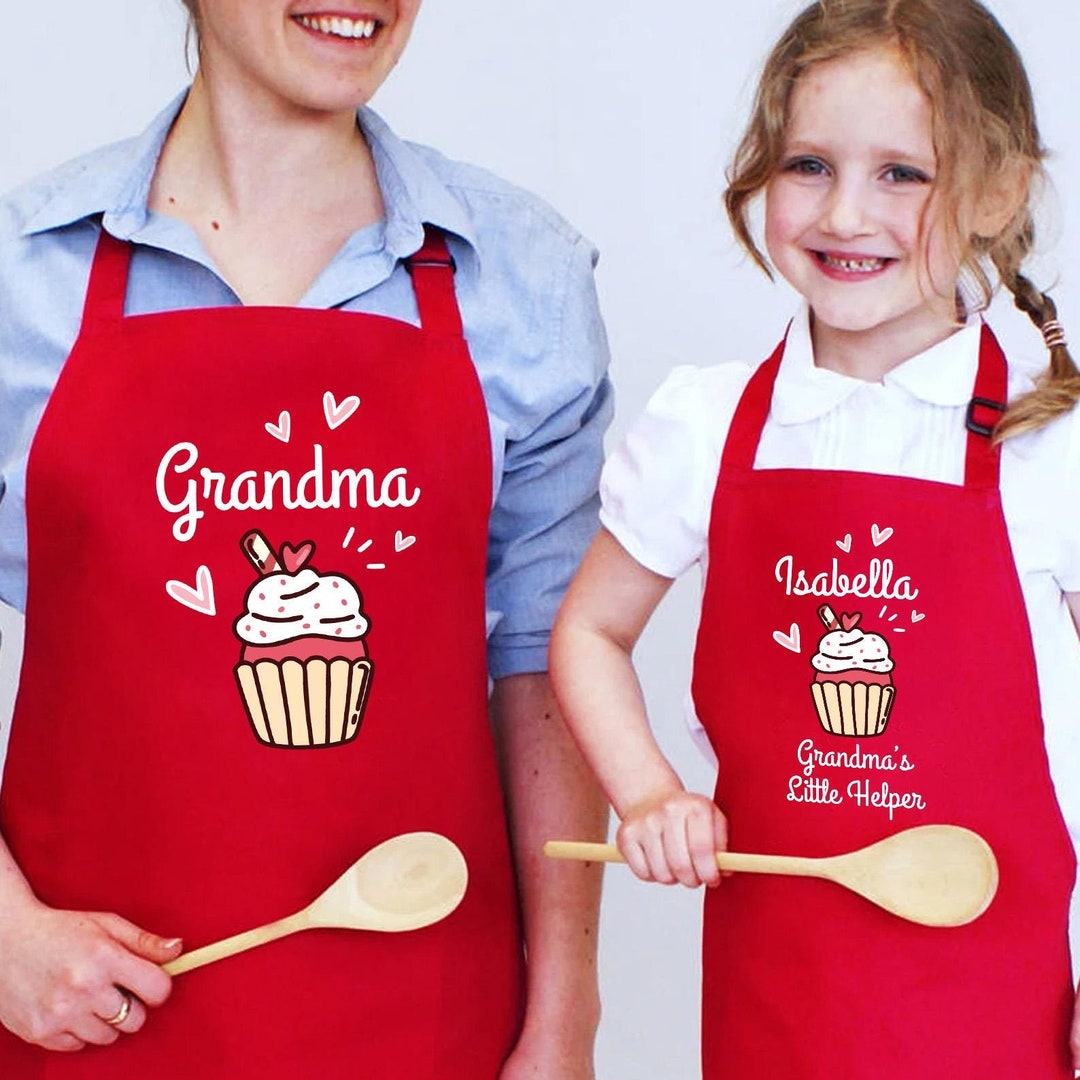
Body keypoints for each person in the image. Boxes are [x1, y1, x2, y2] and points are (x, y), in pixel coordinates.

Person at [0, 1, 611, 1076]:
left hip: (426, 1015)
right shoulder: (23, 276)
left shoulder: (523, 277)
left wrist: (565, 1014)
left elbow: (546, 666)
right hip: (91, 1009)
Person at [551, 0, 1080, 1076]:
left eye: (903, 173)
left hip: (1011, 994)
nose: (846, 213)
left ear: (998, 190)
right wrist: (648, 791)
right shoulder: (709, 423)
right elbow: (589, 632)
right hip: (781, 994)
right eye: (809, 165)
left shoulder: (1050, 441)